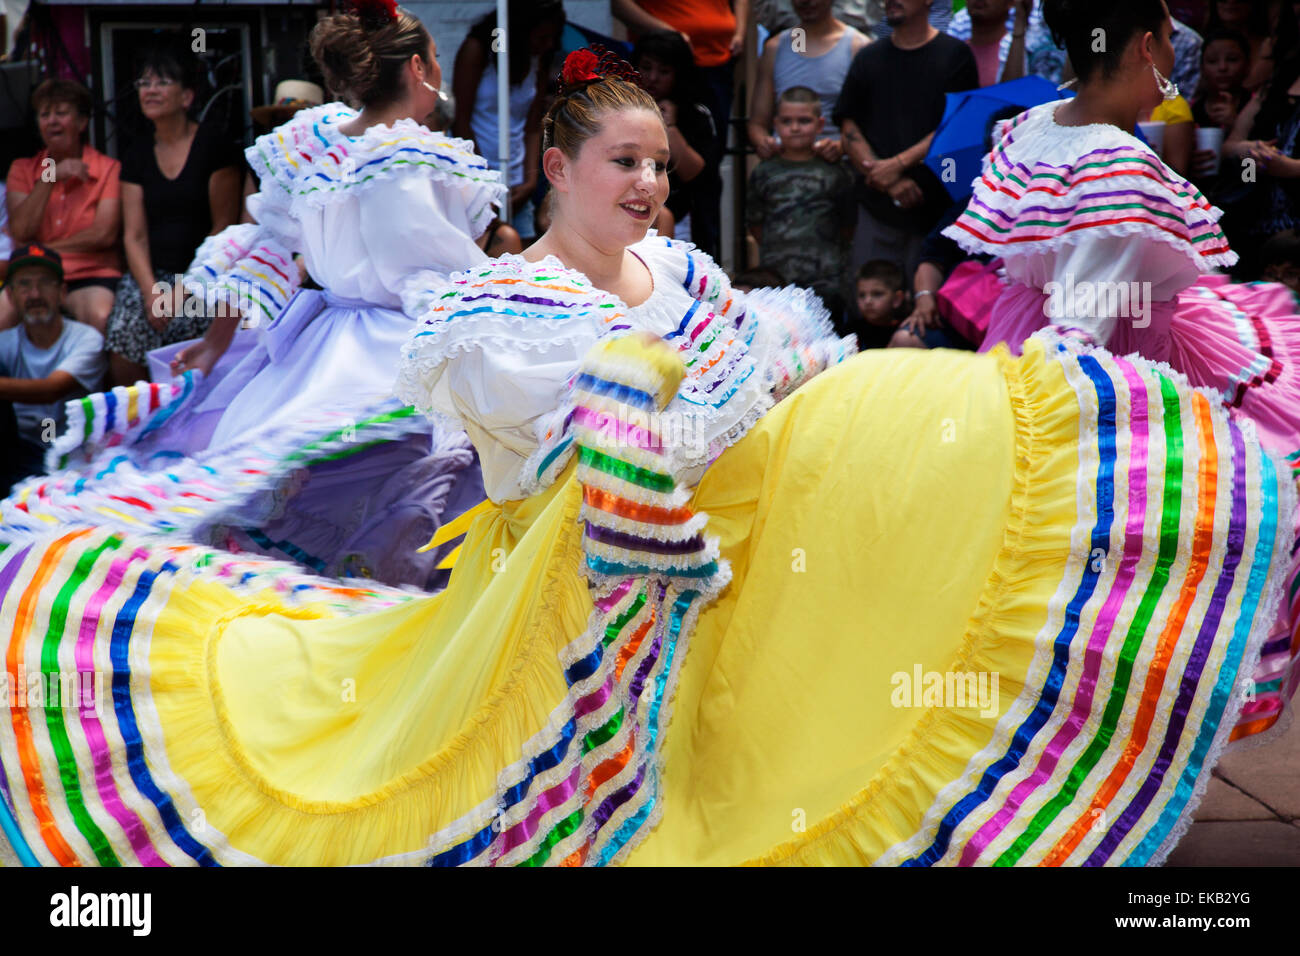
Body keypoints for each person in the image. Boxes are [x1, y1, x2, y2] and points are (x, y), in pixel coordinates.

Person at [0, 49, 1292, 869]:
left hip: (713, 566)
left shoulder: (673, 272)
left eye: (658, 166)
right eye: (623, 164)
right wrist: (684, 410)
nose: (649, 188)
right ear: (556, 168)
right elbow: (578, 455)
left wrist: (776, 397)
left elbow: (765, 377)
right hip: (564, 603)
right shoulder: (499, 311)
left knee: (917, 448)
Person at [0, 2, 500, 590]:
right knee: (411, 477)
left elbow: (264, 247)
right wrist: (494, 325)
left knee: (316, 483)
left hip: (321, 342)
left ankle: (328, 600)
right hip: (390, 342)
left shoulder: (319, 141)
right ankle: (379, 607)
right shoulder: (409, 158)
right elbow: (428, 273)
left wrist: (216, 343)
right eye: (436, 58)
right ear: (419, 67)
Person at [950, 0, 1300, 741]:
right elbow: (1080, 329)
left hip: (1021, 349)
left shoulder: (1033, 127)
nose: (1175, 58)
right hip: (1111, 368)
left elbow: (1029, 278)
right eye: (1172, 41)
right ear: (1145, 46)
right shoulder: (1116, 162)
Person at [103, 41, 242, 387]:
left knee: (193, 325)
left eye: (162, 82)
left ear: (187, 97)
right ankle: (139, 425)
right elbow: (134, 236)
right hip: (154, 276)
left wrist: (181, 291)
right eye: (144, 83)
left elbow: (223, 228)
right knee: (124, 329)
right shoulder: (135, 154)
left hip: (207, 272)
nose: (150, 90)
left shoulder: (214, 146)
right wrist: (153, 293)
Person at [833, 0, 979, 284]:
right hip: (876, 206)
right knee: (867, 307)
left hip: (934, 208)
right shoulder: (868, 56)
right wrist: (888, 178)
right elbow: (848, 125)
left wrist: (897, 165)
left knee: (924, 311)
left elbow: (956, 126)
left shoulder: (955, 55)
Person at [4, 80, 123, 335]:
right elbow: (22, 230)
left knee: (100, 316)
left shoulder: (108, 168)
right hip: (34, 275)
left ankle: (84, 377)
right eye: (45, 114)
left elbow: (103, 235)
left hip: (90, 274)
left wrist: (43, 250)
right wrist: (50, 177)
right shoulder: (22, 169)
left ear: (82, 123)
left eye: (61, 113)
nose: (52, 121)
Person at [452, 1, 565, 243]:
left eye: (551, 39)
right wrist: (481, 179)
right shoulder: (480, 50)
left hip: (516, 182)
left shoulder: (540, 58)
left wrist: (530, 179)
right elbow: (461, 121)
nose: (546, 45)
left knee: (523, 255)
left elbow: (533, 125)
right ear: (521, 30)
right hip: (476, 177)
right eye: (541, 37)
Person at [0, 244, 104, 494]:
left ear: (62, 292)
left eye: (45, 283)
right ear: (11, 297)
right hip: (18, 449)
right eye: (24, 285)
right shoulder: (5, 342)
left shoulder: (86, 338)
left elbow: (51, 389)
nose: (35, 293)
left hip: (72, 452)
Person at [747, 87, 856, 321]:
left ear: (819, 124)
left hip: (827, 279)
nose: (795, 128)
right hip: (777, 279)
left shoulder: (835, 172)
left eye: (804, 121)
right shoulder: (764, 171)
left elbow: (848, 226)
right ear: (775, 124)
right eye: (787, 121)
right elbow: (755, 224)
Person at [748, 0, 871, 162]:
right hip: (788, 168)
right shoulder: (775, 48)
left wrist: (842, 146)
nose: (806, 2)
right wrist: (765, 143)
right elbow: (757, 123)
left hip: (842, 168)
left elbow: (872, 122)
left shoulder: (858, 47)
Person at [633, 31, 718, 240]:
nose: (652, 78)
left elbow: (694, 173)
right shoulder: (618, 110)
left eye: (664, 71)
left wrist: (669, 126)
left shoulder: (696, 114)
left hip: (682, 218)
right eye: (646, 68)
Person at [946, 0, 1066, 86]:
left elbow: (1012, 89)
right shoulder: (955, 49)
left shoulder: (1016, 48)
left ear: (1010, 3)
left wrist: (1021, 22)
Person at [851, 258, 906, 346]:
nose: (867, 301)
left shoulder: (905, 332)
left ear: (897, 299)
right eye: (862, 295)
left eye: (877, 294)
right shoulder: (850, 333)